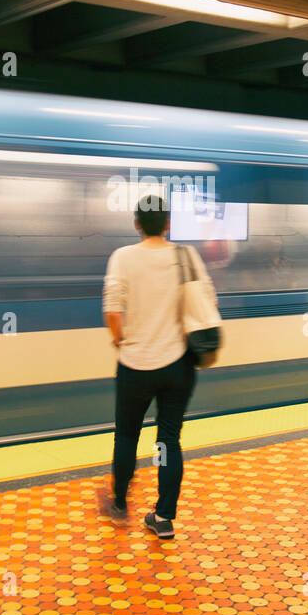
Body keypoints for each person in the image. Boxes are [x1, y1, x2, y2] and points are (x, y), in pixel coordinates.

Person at [100, 194, 212, 540]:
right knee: (168, 441)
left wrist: (122, 341)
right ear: (167, 224)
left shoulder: (123, 258)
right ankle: (163, 517)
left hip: (135, 365)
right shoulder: (186, 256)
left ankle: (119, 503)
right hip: (178, 366)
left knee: (127, 436)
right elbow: (206, 301)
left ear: (137, 223)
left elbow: (113, 311)